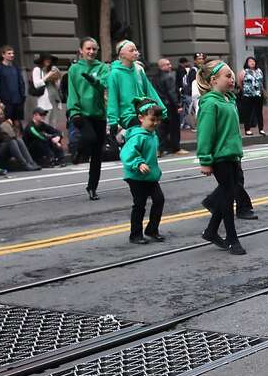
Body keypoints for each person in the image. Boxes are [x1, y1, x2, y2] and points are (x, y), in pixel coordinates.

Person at [196, 60, 247, 255]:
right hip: (220, 157)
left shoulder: (228, 100)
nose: (232, 78)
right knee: (228, 197)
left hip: (232, 155)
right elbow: (205, 133)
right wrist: (205, 160)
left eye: (232, 75)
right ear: (213, 80)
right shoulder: (210, 103)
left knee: (231, 192)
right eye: (227, 75)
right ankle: (232, 239)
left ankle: (210, 231)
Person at [67, 37, 111, 199]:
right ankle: (78, 151)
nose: (91, 52)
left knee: (97, 154)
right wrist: (74, 111)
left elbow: (105, 84)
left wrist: (94, 80)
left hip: (98, 114)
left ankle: (92, 188)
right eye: (88, 49)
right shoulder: (74, 69)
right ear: (81, 50)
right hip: (82, 113)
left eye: (94, 49)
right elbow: (72, 91)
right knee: (89, 137)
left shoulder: (103, 67)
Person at [120, 98, 166, 244]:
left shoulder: (152, 135)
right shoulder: (137, 136)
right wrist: (138, 163)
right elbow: (126, 153)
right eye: (152, 119)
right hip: (136, 176)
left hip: (150, 176)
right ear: (141, 118)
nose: (155, 123)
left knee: (159, 200)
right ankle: (135, 234)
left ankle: (152, 229)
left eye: (158, 120)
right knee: (139, 204)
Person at [107, 40, 164, 132]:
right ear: (122, 54)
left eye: (136, 50)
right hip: (128, 116)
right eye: (131, 50)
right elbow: (113, 99)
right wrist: (113, 121)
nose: (136, 53)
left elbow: (149, 91)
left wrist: (162, 110)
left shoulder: (139, 70)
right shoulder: (114, 74)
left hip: (144, 112)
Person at [155, 57, 186, 155]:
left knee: (162, 128)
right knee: (174, 127)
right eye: (167, 64)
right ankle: (176, 148)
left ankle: (160, 149)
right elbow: (172, 92)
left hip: (160, 104)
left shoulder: (154, 78)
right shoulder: (169, 77)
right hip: (170, 106)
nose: (170, 66)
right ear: (162, 66)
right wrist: (178, 105)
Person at [31, 53, 64, 132]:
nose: (48, 61)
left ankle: (53, 139)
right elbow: (37, 84)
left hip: (54, 99)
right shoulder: (37, 70)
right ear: (42, 60)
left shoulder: (51, 69)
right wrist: (49, 75)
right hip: (44, 99)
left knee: (54, 122)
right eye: (46, 59)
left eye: (50, 59)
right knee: (45, 121)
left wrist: (57, 76)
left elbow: (57, 86)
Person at [0, 45, 27, 122]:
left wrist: (22, 96)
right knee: (7, 122)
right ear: (3, 55)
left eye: (12, 53)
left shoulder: (16, 67)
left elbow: (21, 82)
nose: (12, 55)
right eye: (9, 53)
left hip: (18, 100)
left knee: (17, 122)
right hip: (5, 101)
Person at [239, 56, 265, 136]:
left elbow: (261, 82)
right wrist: (244, 90)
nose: (252, 63)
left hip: (258, 94)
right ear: (247, 63)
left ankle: (261, 129)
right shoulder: (244, 71)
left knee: (259, 112)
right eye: (250, 61)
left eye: (253, 61)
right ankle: (247, 129)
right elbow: (240, 82)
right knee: (248, 112)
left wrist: (262, 91)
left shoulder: (259, 71)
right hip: (248, 95)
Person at [177, 57, 197, 130]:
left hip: (183, 91)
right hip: (187, 92)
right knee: (188, 109)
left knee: (186, 109)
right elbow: (185, 82)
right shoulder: (183, 71)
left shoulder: (179, 70)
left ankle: (184, 123)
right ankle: (186, 123)